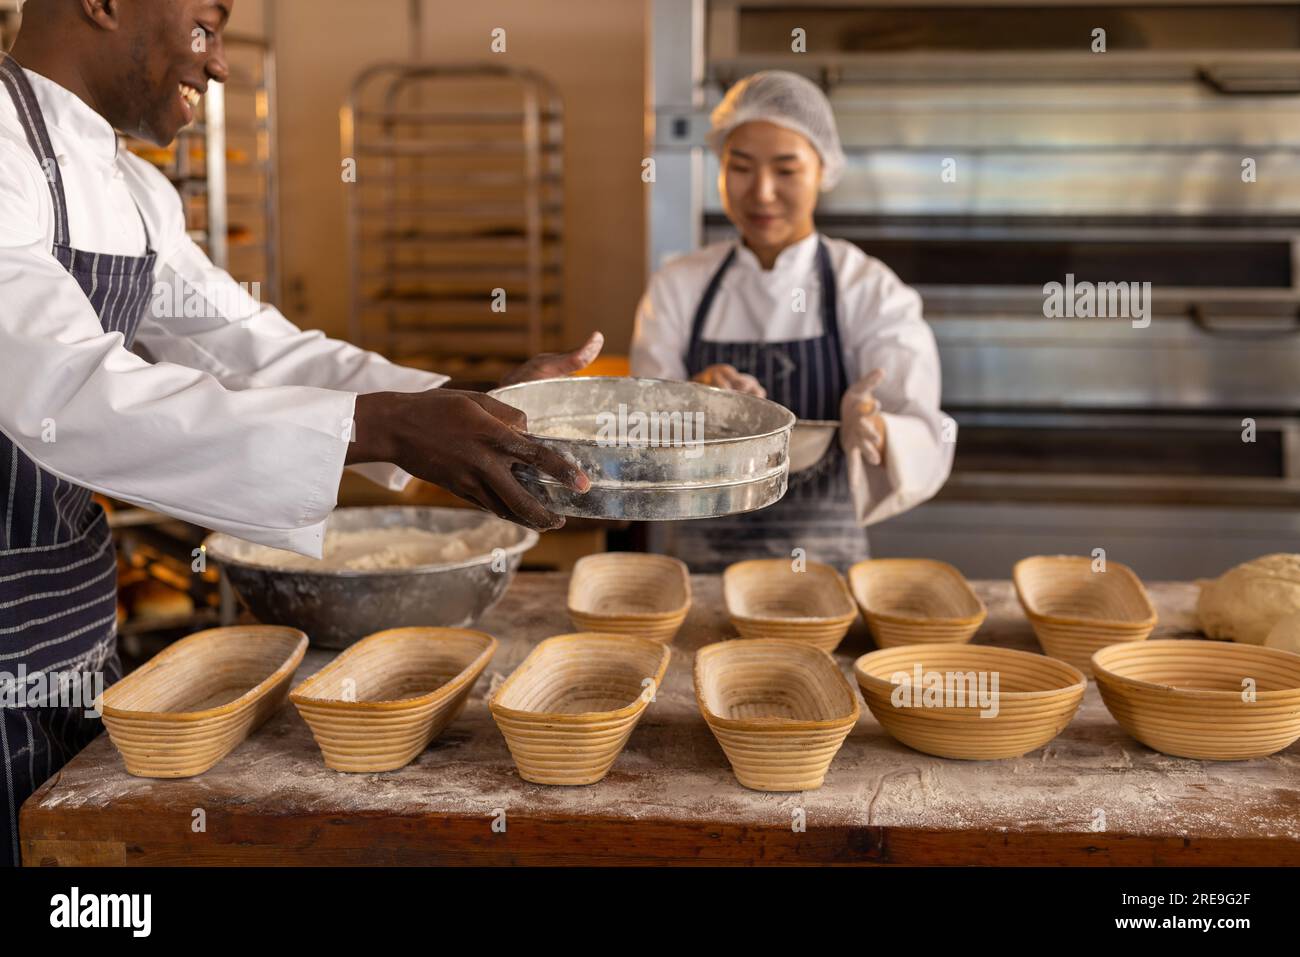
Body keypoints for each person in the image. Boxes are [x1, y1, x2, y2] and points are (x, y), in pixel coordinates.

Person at [0, 0, 599, 867]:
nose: (220, 63)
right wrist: (388, 426)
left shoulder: (134, 195)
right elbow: (70, 392)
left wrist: (464, 403)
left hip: (68, 632)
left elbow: (254, 349)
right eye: (206, 25)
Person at [630, 70, 954, 572]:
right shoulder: (679, 284)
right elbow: (638, 431)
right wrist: (690, 400)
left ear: (822, 170)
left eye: (786, 170)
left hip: (827, 569)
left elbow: (921, 425)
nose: (761, 193)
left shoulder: (866, 286)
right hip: (701, 567)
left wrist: (878, 428)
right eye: (740, 167)